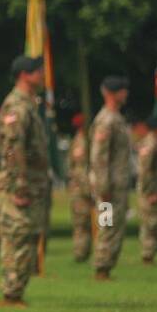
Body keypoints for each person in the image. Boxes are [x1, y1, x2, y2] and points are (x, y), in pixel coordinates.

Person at [0, 55, 49, 307]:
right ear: (24, 75)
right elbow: (12, 148)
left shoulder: (29, 105)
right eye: (38, 71)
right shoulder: (17, 106)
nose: (42, 74)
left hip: (31, 185)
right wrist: (19, 185)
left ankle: (15, 292)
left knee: (25, 237)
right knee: (17, 237)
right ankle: (11, 293)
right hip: (18, 186)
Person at [89, 76, 131, 280]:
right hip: (108, 186)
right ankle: (101, 267)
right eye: (122, 90)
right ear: (111, 93)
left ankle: (106, 266)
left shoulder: (117, 118)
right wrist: (103, 185)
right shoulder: (106, 120)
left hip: (118, 183)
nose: (126, 93)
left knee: (114, 225)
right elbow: (99, 156)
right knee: (107, 224)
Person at [137, 113, 157, 264]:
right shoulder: (151, 144)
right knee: (150, 223)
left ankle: (150, 255)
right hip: (152, 191)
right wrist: (150, 192)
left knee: (155, 223)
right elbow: (146, 171)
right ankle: (147, 255)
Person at [67, 112, 93, 262]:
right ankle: (81, 254)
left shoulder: (82, 141)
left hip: (87, 189)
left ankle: (99, 252)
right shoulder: (82, 142)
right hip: (83, 191)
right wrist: (87, 192)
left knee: (103, 222)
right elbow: (79, 170)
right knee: (82, 224)